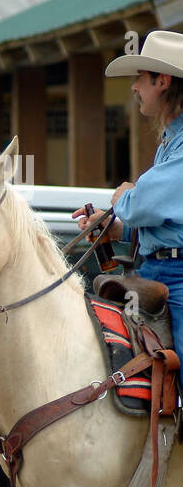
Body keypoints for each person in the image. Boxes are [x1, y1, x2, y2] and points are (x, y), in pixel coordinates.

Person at [76, 29, 183, 349]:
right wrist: (117, 229)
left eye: (141, 78)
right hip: (157, 272)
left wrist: (124, 197)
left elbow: (139, 205)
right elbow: (166, 222)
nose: (135, 87)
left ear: (162, 81)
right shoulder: (170, 142)